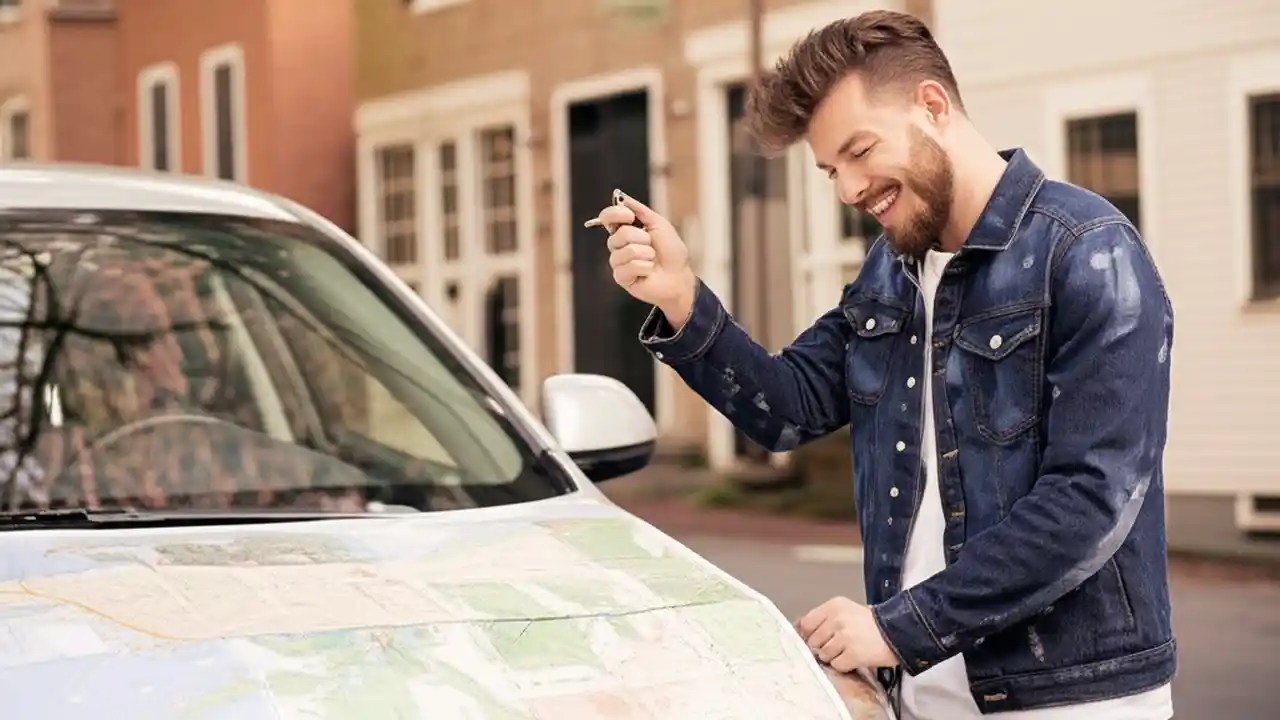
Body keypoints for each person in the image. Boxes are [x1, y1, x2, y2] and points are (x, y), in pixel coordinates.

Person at [588, 9, 1176, 720]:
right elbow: (789, 408)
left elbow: (1090, 502)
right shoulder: (893, 271)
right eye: (832, 169)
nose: (848, 189)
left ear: (932, 106)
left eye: (860, 151)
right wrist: (681, 299)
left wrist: (895, 627)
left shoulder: (1087, 252)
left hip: (1068, 701)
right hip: (919, 695)